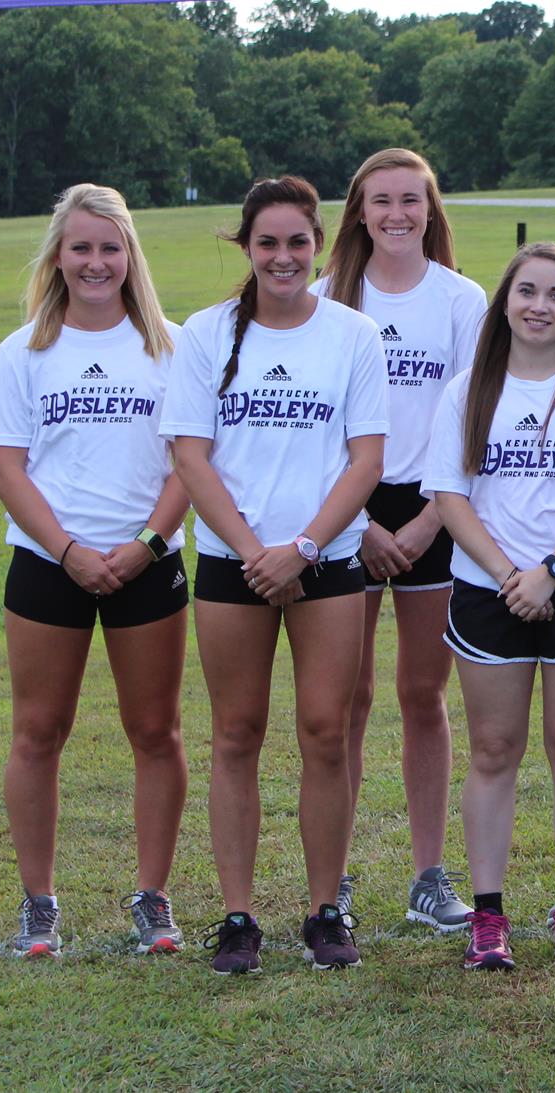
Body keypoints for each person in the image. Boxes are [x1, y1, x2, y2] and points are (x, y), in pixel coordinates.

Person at [161, 177, 389, 974]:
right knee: (236, 733)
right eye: (268, 242)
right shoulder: (205, 332)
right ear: (247, 246)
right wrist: (258, 552)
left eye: (298, 242)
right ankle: (238, 916)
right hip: (236, 564)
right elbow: (191, 456)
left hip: (326, 562)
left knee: (326, 732)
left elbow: (366, 459)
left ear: (318, 245)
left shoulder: (354, 333)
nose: (283, 257)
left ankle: (326, 910)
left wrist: (305, 546)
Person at [0, 184, 190, 959]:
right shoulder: (24, 351)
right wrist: (68, 550)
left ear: (130, 255)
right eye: (81, 247)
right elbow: (7, 468)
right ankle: (38, 904)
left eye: (110, 247)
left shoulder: (171, 346)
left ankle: (153, 897)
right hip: (48, 564)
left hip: (148, 564)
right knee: (38, 731)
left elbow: (189, 462)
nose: (96, 262)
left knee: (156, 731)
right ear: (58, 256)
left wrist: (146, 543)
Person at [424, 243, 555, 970]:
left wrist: (551, 570)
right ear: (505, 303)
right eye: (527, 292)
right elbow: (449, 495)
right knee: (492, 751)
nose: (540, 306)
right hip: (490, 589)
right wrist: (509, 575)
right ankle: (488, 918)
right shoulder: (467, 391)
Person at [315, 147, 487, 933]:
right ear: (358, 210)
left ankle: (427, 875)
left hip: (432, 510)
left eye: (410, 199)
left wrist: (426, 522)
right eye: (380, 200)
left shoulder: (461, 299)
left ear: (430, 209)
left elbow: (475, 417)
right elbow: (315, 430)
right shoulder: (324, 297)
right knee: (344, 700)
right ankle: (335, 877)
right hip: (345, 510)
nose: (396, 213)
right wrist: (359, 525)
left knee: (425, 695)